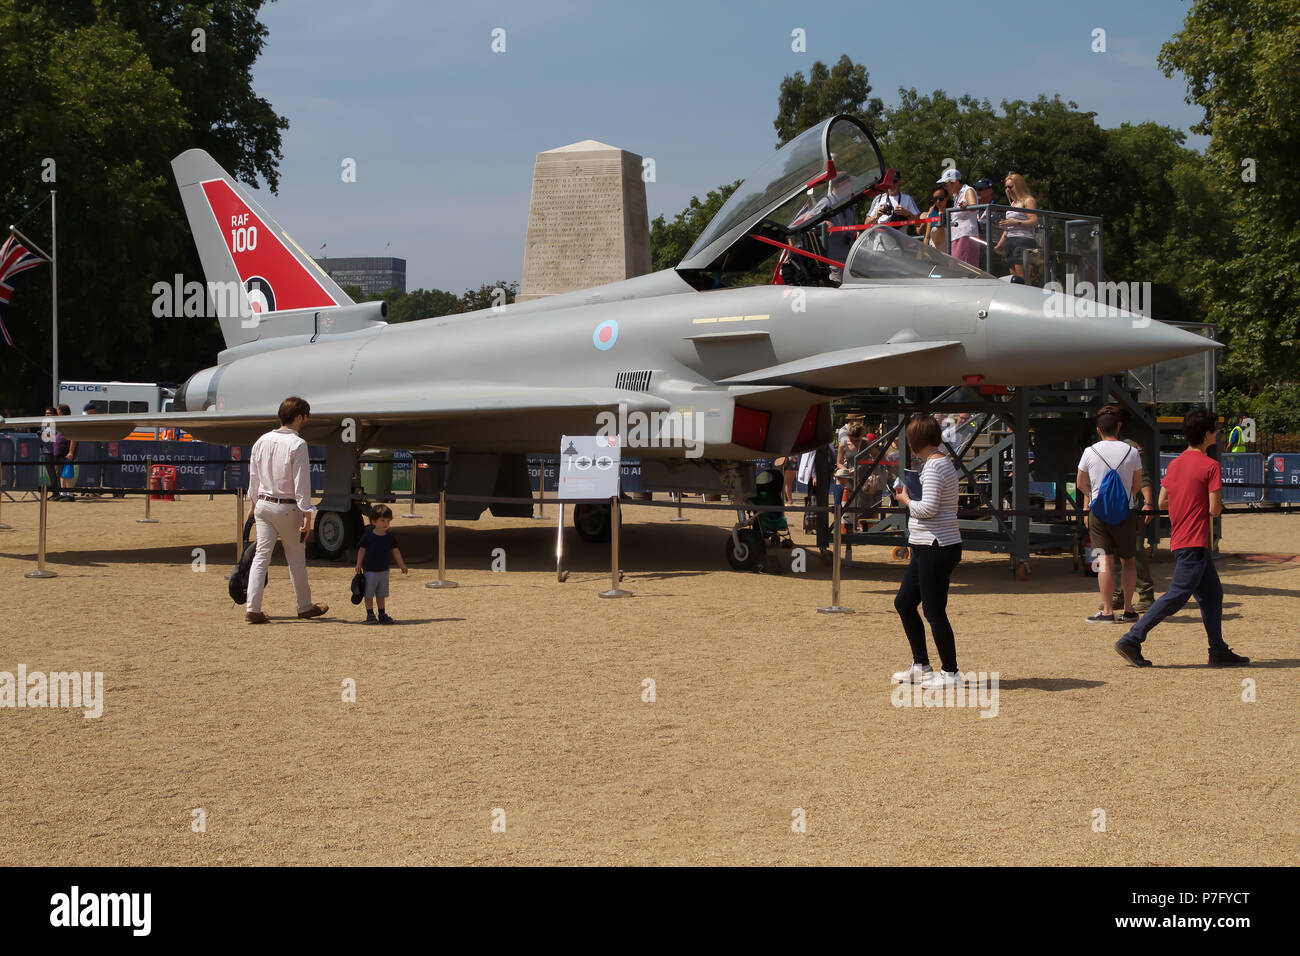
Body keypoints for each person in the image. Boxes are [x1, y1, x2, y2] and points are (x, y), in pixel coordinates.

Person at [1115, 408, 1250, 667]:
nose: (1218, 433)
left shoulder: (1175, 464)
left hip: (1181, 538)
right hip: (1196, 540)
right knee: (1176, 595)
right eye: (1215, 430)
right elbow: (1213, 509)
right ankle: (1132, 638)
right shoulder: (1211, 466)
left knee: (1212, 595)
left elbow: (1163, 501)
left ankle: (1218, 650)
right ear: (1207, 434)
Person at [891, 414, 963, 688]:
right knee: (904, 602)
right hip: (929, 545)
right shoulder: (940, 463)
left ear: (914, 441)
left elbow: (928, 509)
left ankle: (950, 672)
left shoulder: (934, 467)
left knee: (934, 611)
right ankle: (921, 664)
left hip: (936, 545)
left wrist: (906, 499)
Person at [244, 396, 328, 624]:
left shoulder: (261, 440)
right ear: (299, 417)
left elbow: (253, 477)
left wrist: (252, 504)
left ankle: (253, 606)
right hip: (287, 506)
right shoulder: (298, 444)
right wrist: (307, 513)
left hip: (263, 503)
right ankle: (304, 605)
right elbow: (302, 484)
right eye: (305, 417)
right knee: (296, 558)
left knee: (262, 557)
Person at [1077, 409, 1144, 622]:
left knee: (1103, 561)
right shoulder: (1131, 452)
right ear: (1119, 427)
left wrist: (1092, 497)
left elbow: (1081, 483)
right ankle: (1128, 608)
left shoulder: (1089, 452)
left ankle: (1107, 610)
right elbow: (1137, 485)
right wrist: (1124, 499)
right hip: (1126, 511)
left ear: (1098, 430)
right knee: (1129, 560)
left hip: (1098, 512)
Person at [355, 504, 408, 624]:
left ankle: (382, 613)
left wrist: (402, 565)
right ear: (374, 521)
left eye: (388, 521)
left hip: (384, 571)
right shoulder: (368, 536)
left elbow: (396, 551)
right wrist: (358, 564)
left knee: (381, 594)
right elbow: (361, 550)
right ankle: (370, 614)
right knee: (368, 594)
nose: (386, 523)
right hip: (370, 571)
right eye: (382, 520)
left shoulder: (390, 537)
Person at [994, 173, 1039, 280]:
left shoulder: (1028, 200)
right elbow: (1008, 229)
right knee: (1014, 279)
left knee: (1022, 279)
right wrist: (998, 247)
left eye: (1010, 186)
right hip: (1011, 242)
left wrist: (1016, 222)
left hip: (1023, 241)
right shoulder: (1013, 204)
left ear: (1018, 186)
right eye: (1006, 187)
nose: (1008, 190)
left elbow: (1034, 220)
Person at [938, 168, 981, 266]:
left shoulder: (967, 190)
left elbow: (973, 206)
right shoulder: (957, 195)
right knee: (958, 267)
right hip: (958, 236)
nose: (945, 187)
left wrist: (967, 204)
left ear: (955, 182)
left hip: (966, 236)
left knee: (965, 268)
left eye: (946, 184)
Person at [866, 169, 920, 233]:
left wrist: (907, 213)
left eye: (894, 181)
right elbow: (866, 225)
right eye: (889, 181)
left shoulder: (908, 199)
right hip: (881, 241)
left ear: (899, 181)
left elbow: (918, 224)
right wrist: (877, 216)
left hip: (900, 241)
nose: (891, 185)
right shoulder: (879, 199)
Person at [922, 187, 950, 251]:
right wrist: (924, 252)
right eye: (935, 199)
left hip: (950, 251)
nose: (938, 201)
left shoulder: (952, 213)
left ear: (947, 198)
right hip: (934, 252)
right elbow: (927, 237)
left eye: (941, 199)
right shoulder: (932, 215)